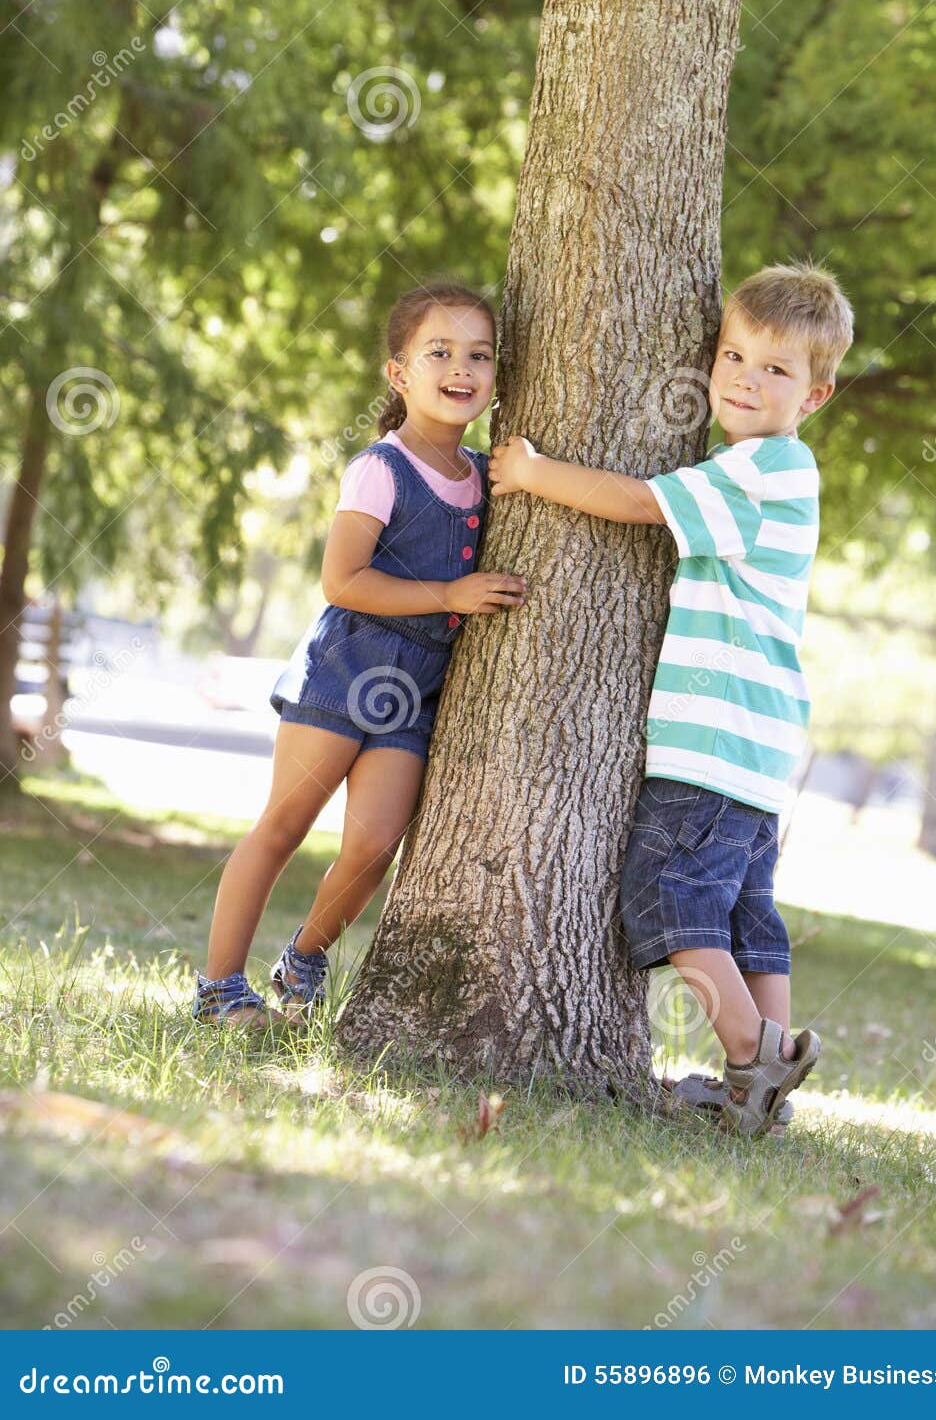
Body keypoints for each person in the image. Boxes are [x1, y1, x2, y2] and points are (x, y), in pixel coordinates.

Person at [489, 262, 854, 1134]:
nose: (744, 379)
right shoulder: (765, 467)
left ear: (815, 394)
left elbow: (638, 501)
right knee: (744, 911)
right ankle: (766, 1087)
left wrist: (535, 474)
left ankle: (748, 1056)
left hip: (714, 740)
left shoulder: (763, 469)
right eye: (733, 356)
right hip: (759, 746)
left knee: (671, 891)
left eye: (775, 370)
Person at [193, 281, 527, 1028]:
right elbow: (343, 579)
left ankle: (303, 958)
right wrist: (449, 594)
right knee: (283, 825)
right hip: (348, 668)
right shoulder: (381, 467)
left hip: (418, 688)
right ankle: (218, 990)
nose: (461, 367)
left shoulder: (486, 473)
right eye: (438, 351)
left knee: (376, 843)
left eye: (478, 354)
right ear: (398, 372)